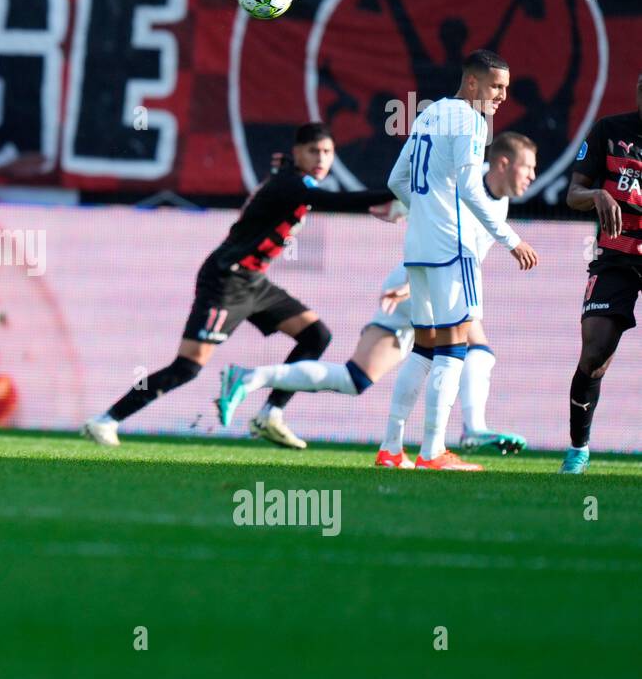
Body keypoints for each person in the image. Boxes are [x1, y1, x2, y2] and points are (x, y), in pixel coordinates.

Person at [219, 132, 539, 469]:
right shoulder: (466, 183)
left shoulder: (496, 196)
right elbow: (434, 225)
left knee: (355, 378)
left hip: (414, 281)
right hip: (424, 280)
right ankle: (472, 430)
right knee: (475, 348)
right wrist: (413, 283)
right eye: (528, 167)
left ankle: (252, 378)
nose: (532, 175)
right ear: (503, 163)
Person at [83, 122, 398, 450]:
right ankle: (106, 420)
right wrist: (395, 193)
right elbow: (335, 203)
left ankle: (271, 414)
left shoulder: (295, 179)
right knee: (188, 366)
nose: (321, 158)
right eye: (313, 151)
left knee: (316, 335)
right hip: (226, 280)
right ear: (297, 153)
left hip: (253, 281)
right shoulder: (289, 183)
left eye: (327, 152)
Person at [386, 50, 539, 470]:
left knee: (423, 348)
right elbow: (472, 189)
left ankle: (390, 448)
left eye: (506, 89)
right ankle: (433, 452)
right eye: (496, 87)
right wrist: (511, 240)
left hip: (417, 247)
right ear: (472, 83)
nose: (502, 97)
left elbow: (396, 180)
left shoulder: (428, 115)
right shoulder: (472, 121)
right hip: (452, 249)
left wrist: (425, 213)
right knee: (453, 351)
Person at [561, 72, 642, 473]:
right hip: (615, 257)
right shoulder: (610, 131)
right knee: (595, 354)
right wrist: (597, 194)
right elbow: (573, 193)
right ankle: (578, 450)